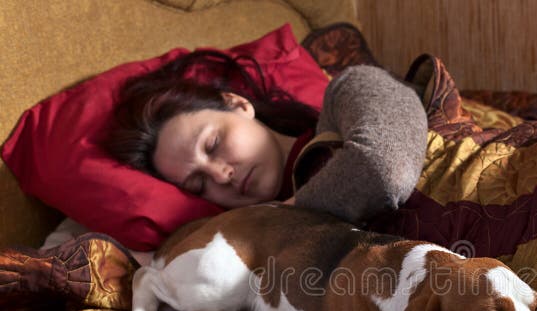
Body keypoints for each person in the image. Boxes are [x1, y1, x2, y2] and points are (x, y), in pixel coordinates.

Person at [105, 50, 429, 228]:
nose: (220, 175)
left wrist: (266, 223)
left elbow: (383, 170)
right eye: (198, 184)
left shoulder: (350, 88)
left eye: (212, 145)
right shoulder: (272, 262)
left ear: (237, 104)